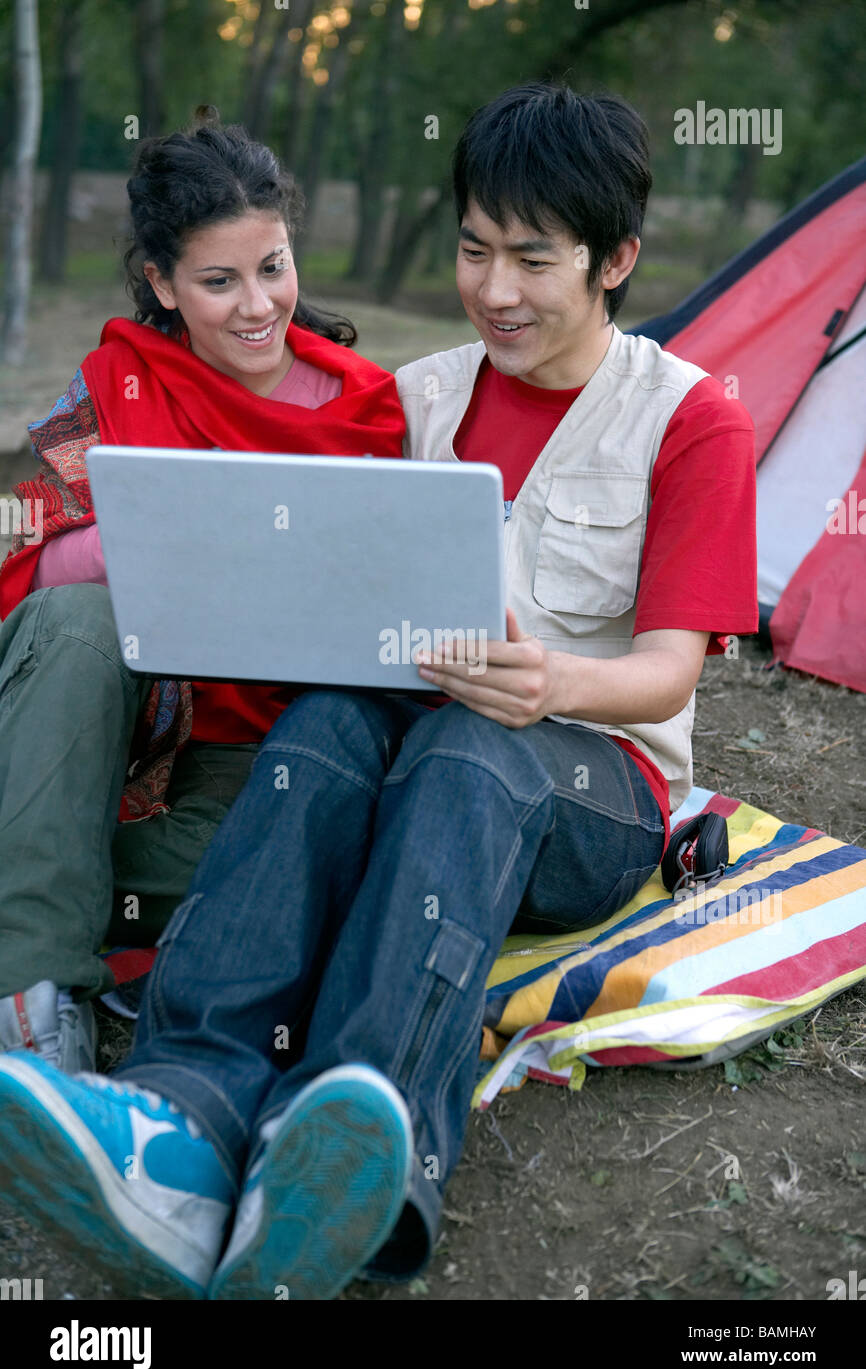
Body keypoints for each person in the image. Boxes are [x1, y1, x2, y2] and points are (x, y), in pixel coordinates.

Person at [0, 84, 758, 1300]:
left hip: (588, 781)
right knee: (328, 724)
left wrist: (547, 679)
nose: (493, 290)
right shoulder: (420, 401)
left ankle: (364, 1140)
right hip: (424, 731)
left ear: (613, 259)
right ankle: (179, 1116)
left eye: (530, 259)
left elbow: (668, 672)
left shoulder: (690, 419)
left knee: (471, 752)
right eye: (471, 249)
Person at [0, 107, 405, 1072]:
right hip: (108, 730)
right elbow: (28, 563)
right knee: (77, 617)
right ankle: (31, 999)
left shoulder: (365, 409)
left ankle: (38, 886)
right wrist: (167, 544)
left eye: (273, 267)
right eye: (218, 282)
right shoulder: (118, 382)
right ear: (162, 283)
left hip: (259, 761)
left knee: (296, 881)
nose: (258, 305)